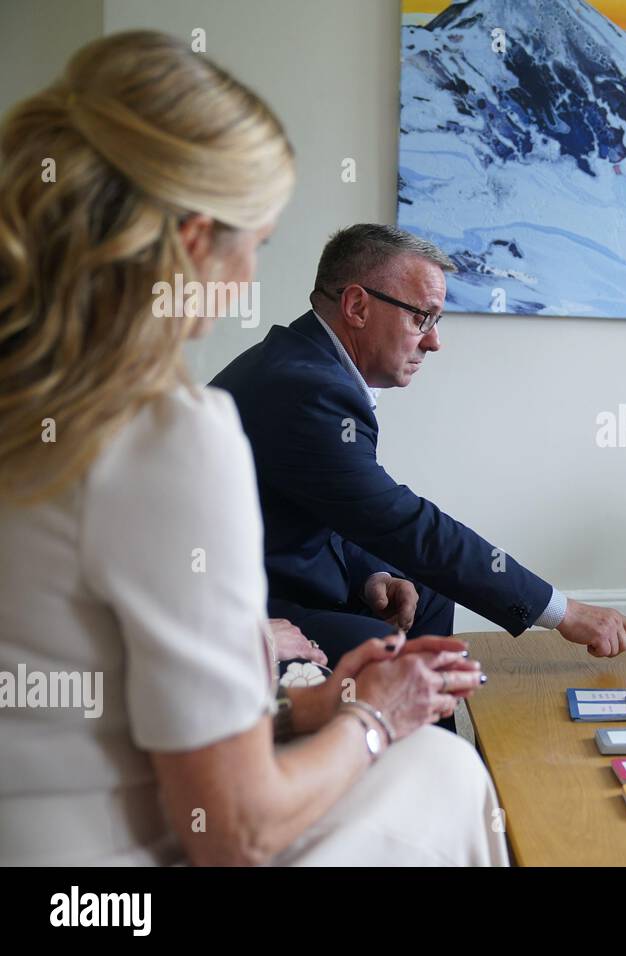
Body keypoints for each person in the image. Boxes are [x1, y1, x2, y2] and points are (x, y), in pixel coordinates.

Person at [0, 30, 505, 866]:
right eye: (255, 244)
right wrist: (377, 718)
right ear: (196, 241)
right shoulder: (167, 434)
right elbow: (234, 831)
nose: (245, 276)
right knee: (446, 773)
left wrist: (308, 712)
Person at [210, 223, 626, 665]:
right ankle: (411, 724)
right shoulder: (307, 389)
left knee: (426, 597)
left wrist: (374, 576)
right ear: (356, 306)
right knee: (380, 649)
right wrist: (564, 612)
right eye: (421, 316)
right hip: (232, 602)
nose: (435, 341)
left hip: (279, 569)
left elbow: (334, 508)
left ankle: (427, 731)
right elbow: (402, 523)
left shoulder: (307, 366)